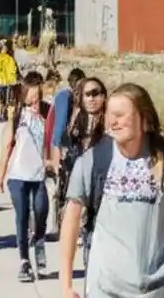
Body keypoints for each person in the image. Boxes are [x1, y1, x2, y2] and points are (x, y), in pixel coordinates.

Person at [60, 83, 164, 298]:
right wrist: (66, 285)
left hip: (161, 288)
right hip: (106, 288)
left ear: (144, 119)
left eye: (120, 115)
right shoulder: (93, 161)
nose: (113, 121)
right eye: (110, 114)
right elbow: (71, 221)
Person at [0, 70, 52, 282]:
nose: (34, 100)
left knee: (40, 211)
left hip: (38, 175)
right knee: (21, 215)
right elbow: (6, 146)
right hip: (17, 174)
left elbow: (54, 141)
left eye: (37, 95)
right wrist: (0, 176)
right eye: (31, 95)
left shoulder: (48, 113)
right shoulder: (17, 115)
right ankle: (24, 262)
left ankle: (38, 245)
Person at [53, 75, 107, 258]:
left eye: (96, 94)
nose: (91, 98)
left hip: (104, 193)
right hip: (81, 193)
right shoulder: (76, 123)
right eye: (87, 95)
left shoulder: (111, 125)